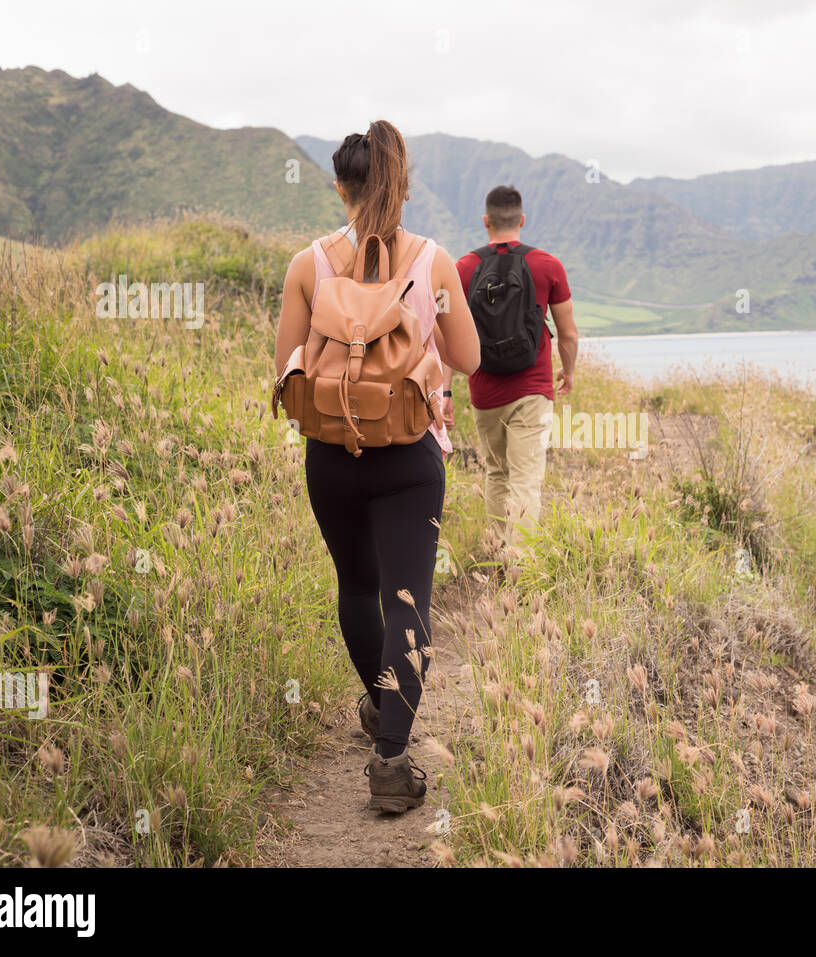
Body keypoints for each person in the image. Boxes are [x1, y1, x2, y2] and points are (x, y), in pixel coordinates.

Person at [274, 120, 480, 813]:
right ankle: (391, 757)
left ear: (340, 188)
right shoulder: (433, 262)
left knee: (358, 587)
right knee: (407, 602)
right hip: (408, 455)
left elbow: (286, 369)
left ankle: (378, 700)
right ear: (403, 186)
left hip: (330, 456)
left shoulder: (307, 265)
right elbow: (469, 356)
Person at [456, 185, 578, 546]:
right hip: (533, 389)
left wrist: (444, 392)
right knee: (525, 478)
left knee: (497, 473)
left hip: (485, 391)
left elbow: (447, 336)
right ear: (522, 220)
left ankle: (499, 552)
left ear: (486, 221)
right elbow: (568, 334)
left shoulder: (464, 268)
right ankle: (521, 565)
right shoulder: (548, 265)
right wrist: (568, 371)